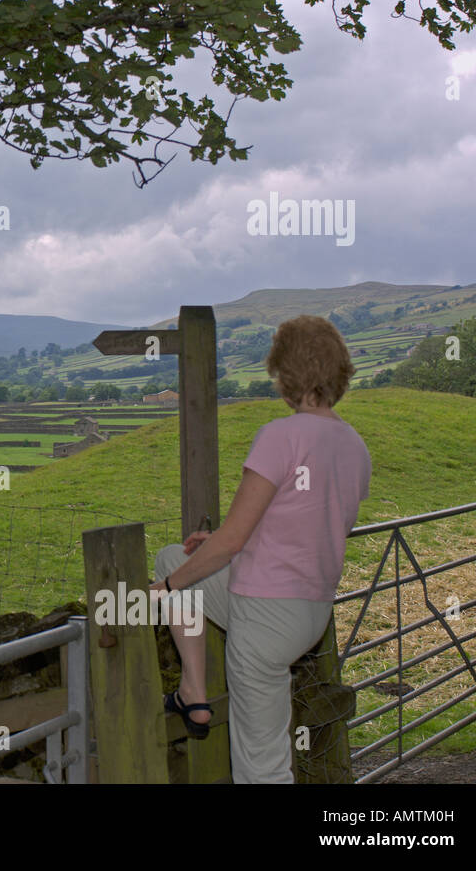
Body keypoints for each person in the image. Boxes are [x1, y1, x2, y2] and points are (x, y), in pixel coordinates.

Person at [148, 314, 371, 783]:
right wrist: (193, 562)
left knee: (261, 765)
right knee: (176, 553)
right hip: (311, 612)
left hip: (265, 613)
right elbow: (307, 526)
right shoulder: (354, 446)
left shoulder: (280, 436)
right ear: (340, 372)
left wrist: (163, 589)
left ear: (283, 374)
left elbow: (231, 540)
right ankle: (194, 691)